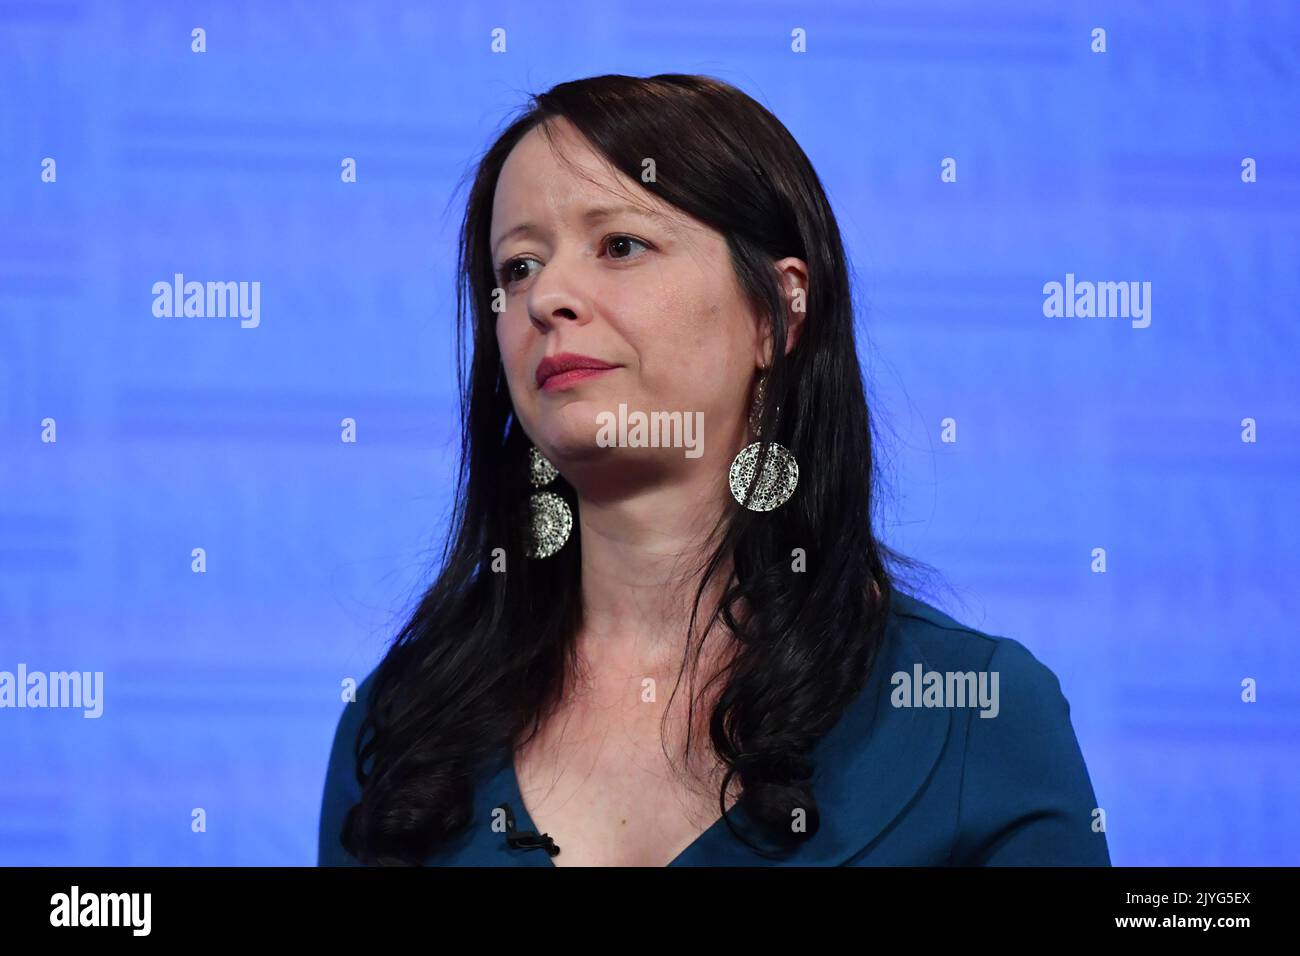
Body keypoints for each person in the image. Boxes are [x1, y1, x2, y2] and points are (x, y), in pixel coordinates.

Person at [317, 73, 1110, 867]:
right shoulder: (402, 728)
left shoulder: (978, 713)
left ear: (777, 312)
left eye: (620, 245)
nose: (546, 297)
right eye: (517, 267)